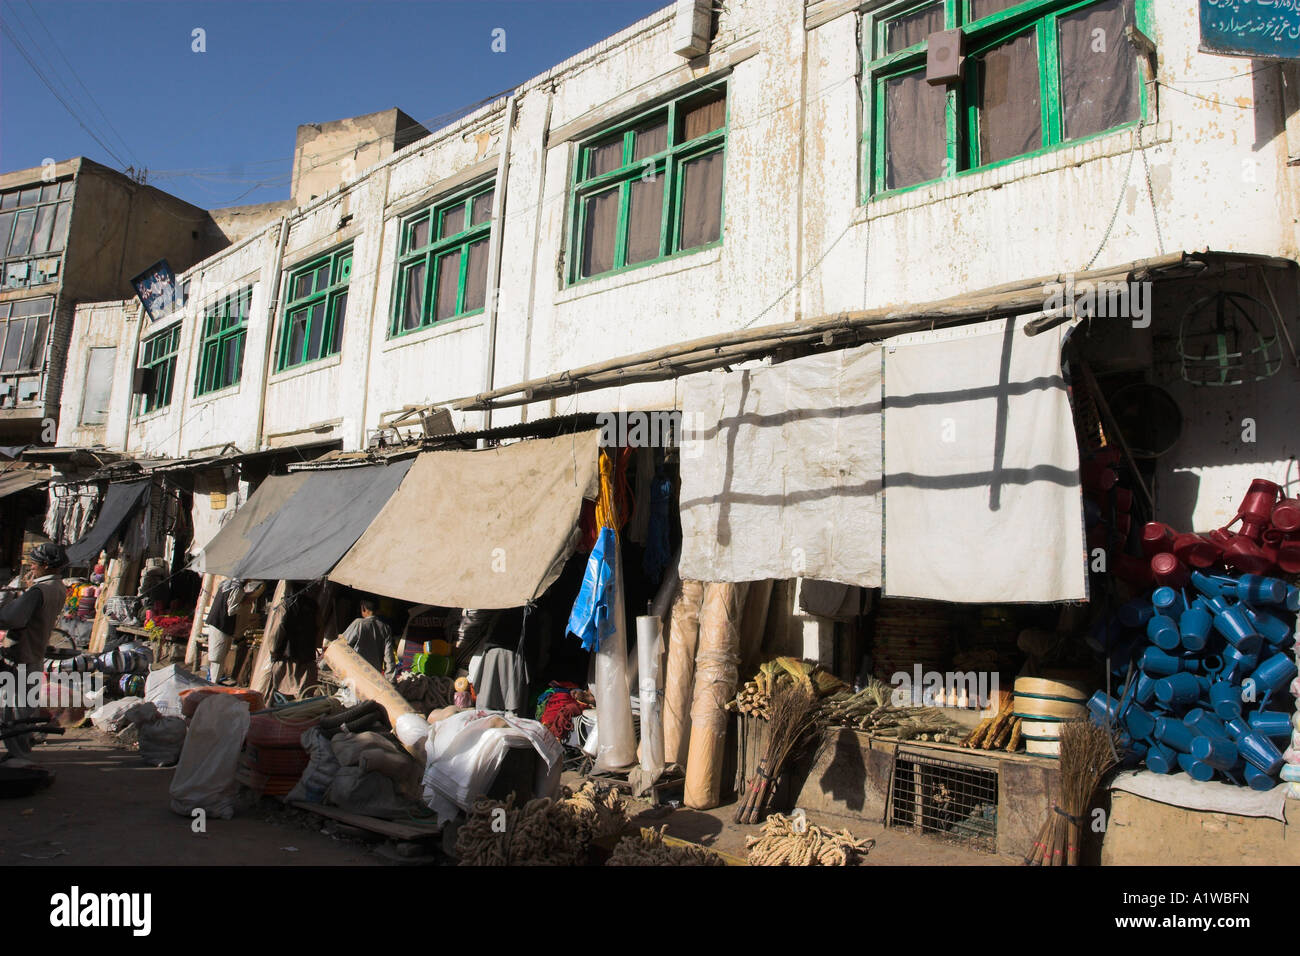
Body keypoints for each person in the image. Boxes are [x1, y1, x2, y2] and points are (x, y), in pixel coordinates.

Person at [0, 543, 69, 672]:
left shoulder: (39, 590)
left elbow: (10, 618)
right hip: (36, 655)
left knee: (15, 691)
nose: (31, 567)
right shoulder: (59, 587)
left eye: (34, 563)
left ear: (46, 565)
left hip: (20, 659)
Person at [340, 598, 396, 678]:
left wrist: (323, 663)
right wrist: (391, 680)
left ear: (363, 608)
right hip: (375, 677)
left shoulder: (359, 624)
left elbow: (341, 644)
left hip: (357, 675)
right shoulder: (385, 628)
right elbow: (389, 657)